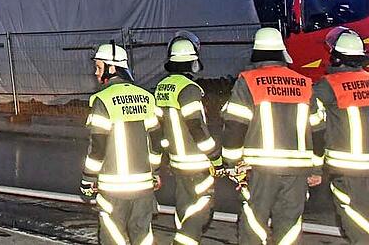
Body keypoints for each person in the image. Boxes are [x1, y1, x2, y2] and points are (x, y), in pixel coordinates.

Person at [221, 26, 325, 245]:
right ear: (281, 52)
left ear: (256, 52)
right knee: (289, 227)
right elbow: (317, 129)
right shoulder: (304, 83)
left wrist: (232, 163)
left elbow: (235, 125)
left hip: (260, 170)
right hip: (297, 171)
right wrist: (316, 168)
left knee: (254, 224)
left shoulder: (248, 81)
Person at [81, 41, 163, 245]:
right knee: (143, 237)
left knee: (113, 238)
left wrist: (87, 179)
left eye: (99, 67)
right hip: (144, 188)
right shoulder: (146, 98)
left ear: (112, 68)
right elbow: (156, 143)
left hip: (113, 190)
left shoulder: (103, 100)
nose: (96, 73)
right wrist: (155, 172)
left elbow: (97, 147)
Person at [153, 32, 221, 245]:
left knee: (185, 206)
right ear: (193, 61)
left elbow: (158, 128)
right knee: (202, 206)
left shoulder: (163, 87)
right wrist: (215, 157)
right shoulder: (189, 89)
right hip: (196, 162)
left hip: (177, 161)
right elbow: (196, 126)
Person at [313, 28, 369, 243]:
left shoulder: (328, 86)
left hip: (348, 168)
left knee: (354, 218)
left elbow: (312, 124)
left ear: (336, 57)